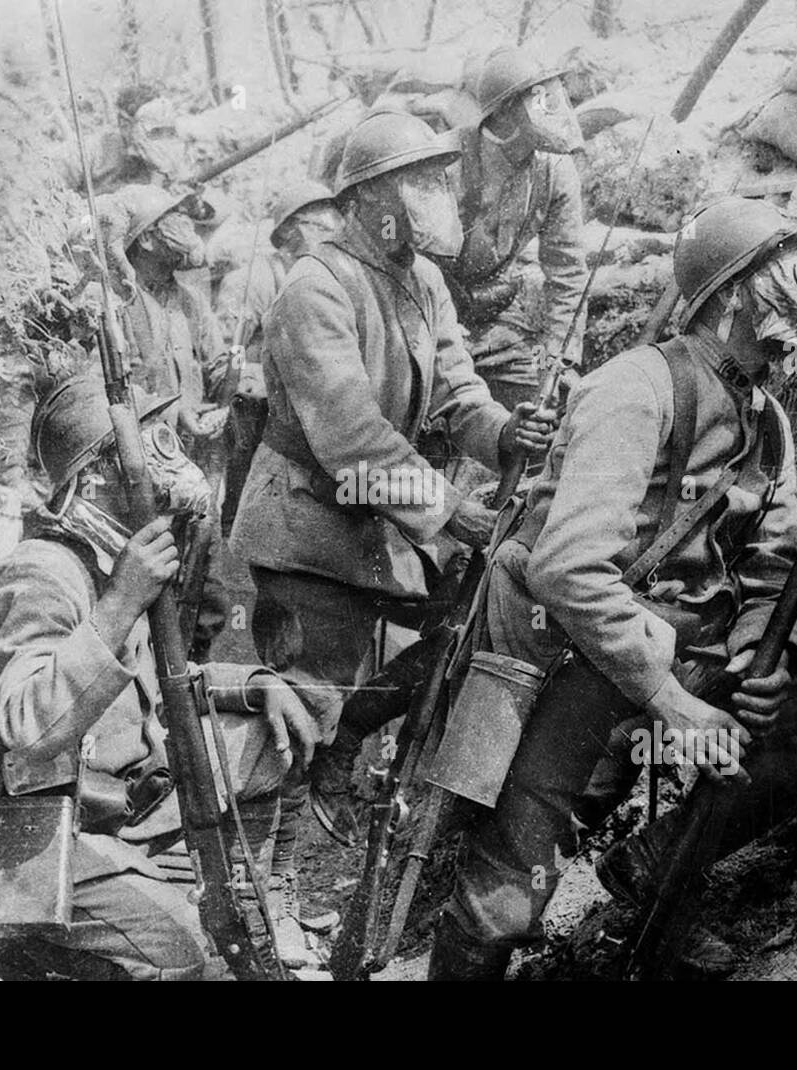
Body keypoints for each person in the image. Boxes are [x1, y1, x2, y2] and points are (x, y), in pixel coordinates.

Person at [430, 196, 797, 980]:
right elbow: (568, 571)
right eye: (788, 275)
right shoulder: (635, 388)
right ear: (735, 295)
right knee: (508, 894)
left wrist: (760, 661)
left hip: (686, 655)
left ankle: (652, 870)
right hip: (578, 657)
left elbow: (773, 567)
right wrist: (673, 704)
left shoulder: (767, 420)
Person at [229, 107, 559, 961]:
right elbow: (348, 439)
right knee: (294, 710)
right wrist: (453, 511)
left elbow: (457, 390)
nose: (442, 196)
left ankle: (338, 771)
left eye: (443, 180)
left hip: (375, 524)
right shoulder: (316, 288)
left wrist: (502, 434)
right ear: (375, 200)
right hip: (306, 528)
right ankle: (262, 898)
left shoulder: (423, 282)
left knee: (470, 619)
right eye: (424, 182)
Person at [0, 375, 320, 980]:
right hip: (31, 838)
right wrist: (121, 602)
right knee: (185, 956)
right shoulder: (44, 574)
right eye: (153, 439)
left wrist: (253, 684)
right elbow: (29, 727)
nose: (176, 450)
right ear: (100, 476)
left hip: (117, 804)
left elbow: (156, 680)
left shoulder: (111, 558)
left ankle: (222, 891)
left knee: (271, 735)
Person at [106, 183, 235, 660]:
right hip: (139, 477)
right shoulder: (117, 306)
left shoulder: (190, 301)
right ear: (146, 239)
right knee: (145, 586)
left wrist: (226, 384)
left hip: (195, 471)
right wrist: (177, 412)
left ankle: (192, 679)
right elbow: (119, 393)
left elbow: (215, 361)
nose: (190, 227)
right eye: (174, 220)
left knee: (206, 589)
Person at [437, 45, 589, 413]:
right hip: (434, 323)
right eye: (540, 100)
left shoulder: (554, 169)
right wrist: (443, 334)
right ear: (506, 110)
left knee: (558, 407)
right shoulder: (444, 161)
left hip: (496, 325)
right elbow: (408, 265)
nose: (553, 108)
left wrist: (559, 360)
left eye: (554, 96)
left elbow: (567, 271)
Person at [217, 180, 342, 535]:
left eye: (332, 225)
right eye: (318, 226)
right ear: (289, 231)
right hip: (254, 405)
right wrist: (245, 383)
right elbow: (231, 351)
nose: (328, 234)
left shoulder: (324, 277)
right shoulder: (257, 277)